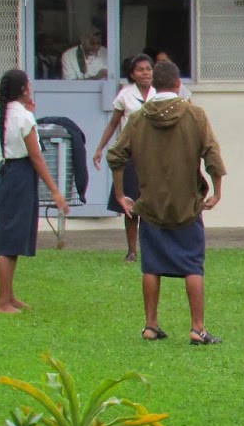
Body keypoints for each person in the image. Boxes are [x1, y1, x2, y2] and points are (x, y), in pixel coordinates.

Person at [107, 60, 226, 345]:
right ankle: (197, 328)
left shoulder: (137, 118)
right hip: (187, 205)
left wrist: (121, 194)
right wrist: (217, 191)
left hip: (150, 206)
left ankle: (151, 325)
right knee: (193, 266)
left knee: (151, 266)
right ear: (177, 84)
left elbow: (116, 157)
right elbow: (212, 155)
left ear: (153, 86)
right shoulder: (195, 115)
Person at [0, 69, 70, 313]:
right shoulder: (24, 117)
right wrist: (55, 192)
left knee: (10, 234)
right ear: (24, 89)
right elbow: (36, 157)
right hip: (21, 174)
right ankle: (2, 302)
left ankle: (9, 296)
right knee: (10, 242)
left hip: (6, 172)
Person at [93, 53, 157, 263]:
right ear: (132, 74)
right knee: (131, 205)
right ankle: (132, 250)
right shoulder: (125, 95)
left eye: (148, 68)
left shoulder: (159, 94)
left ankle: (152, 248)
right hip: (132, 155)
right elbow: (113, 124)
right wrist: (100, 148)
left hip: (155, 156)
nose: (145, 73)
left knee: (154, 205)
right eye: (140, 69)